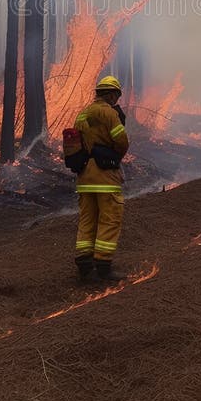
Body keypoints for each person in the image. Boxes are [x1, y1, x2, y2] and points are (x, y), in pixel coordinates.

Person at [73, 76, 129, 282]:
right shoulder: (110, 113)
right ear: (112, 94)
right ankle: (104, 267)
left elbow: (76, 144)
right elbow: (122, 141)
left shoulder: (82, 114)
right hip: (105, 178)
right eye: (116, 96)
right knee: (109, 219)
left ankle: (84, 265)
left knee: (87, 219)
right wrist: (114, 158)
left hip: (85, 178)